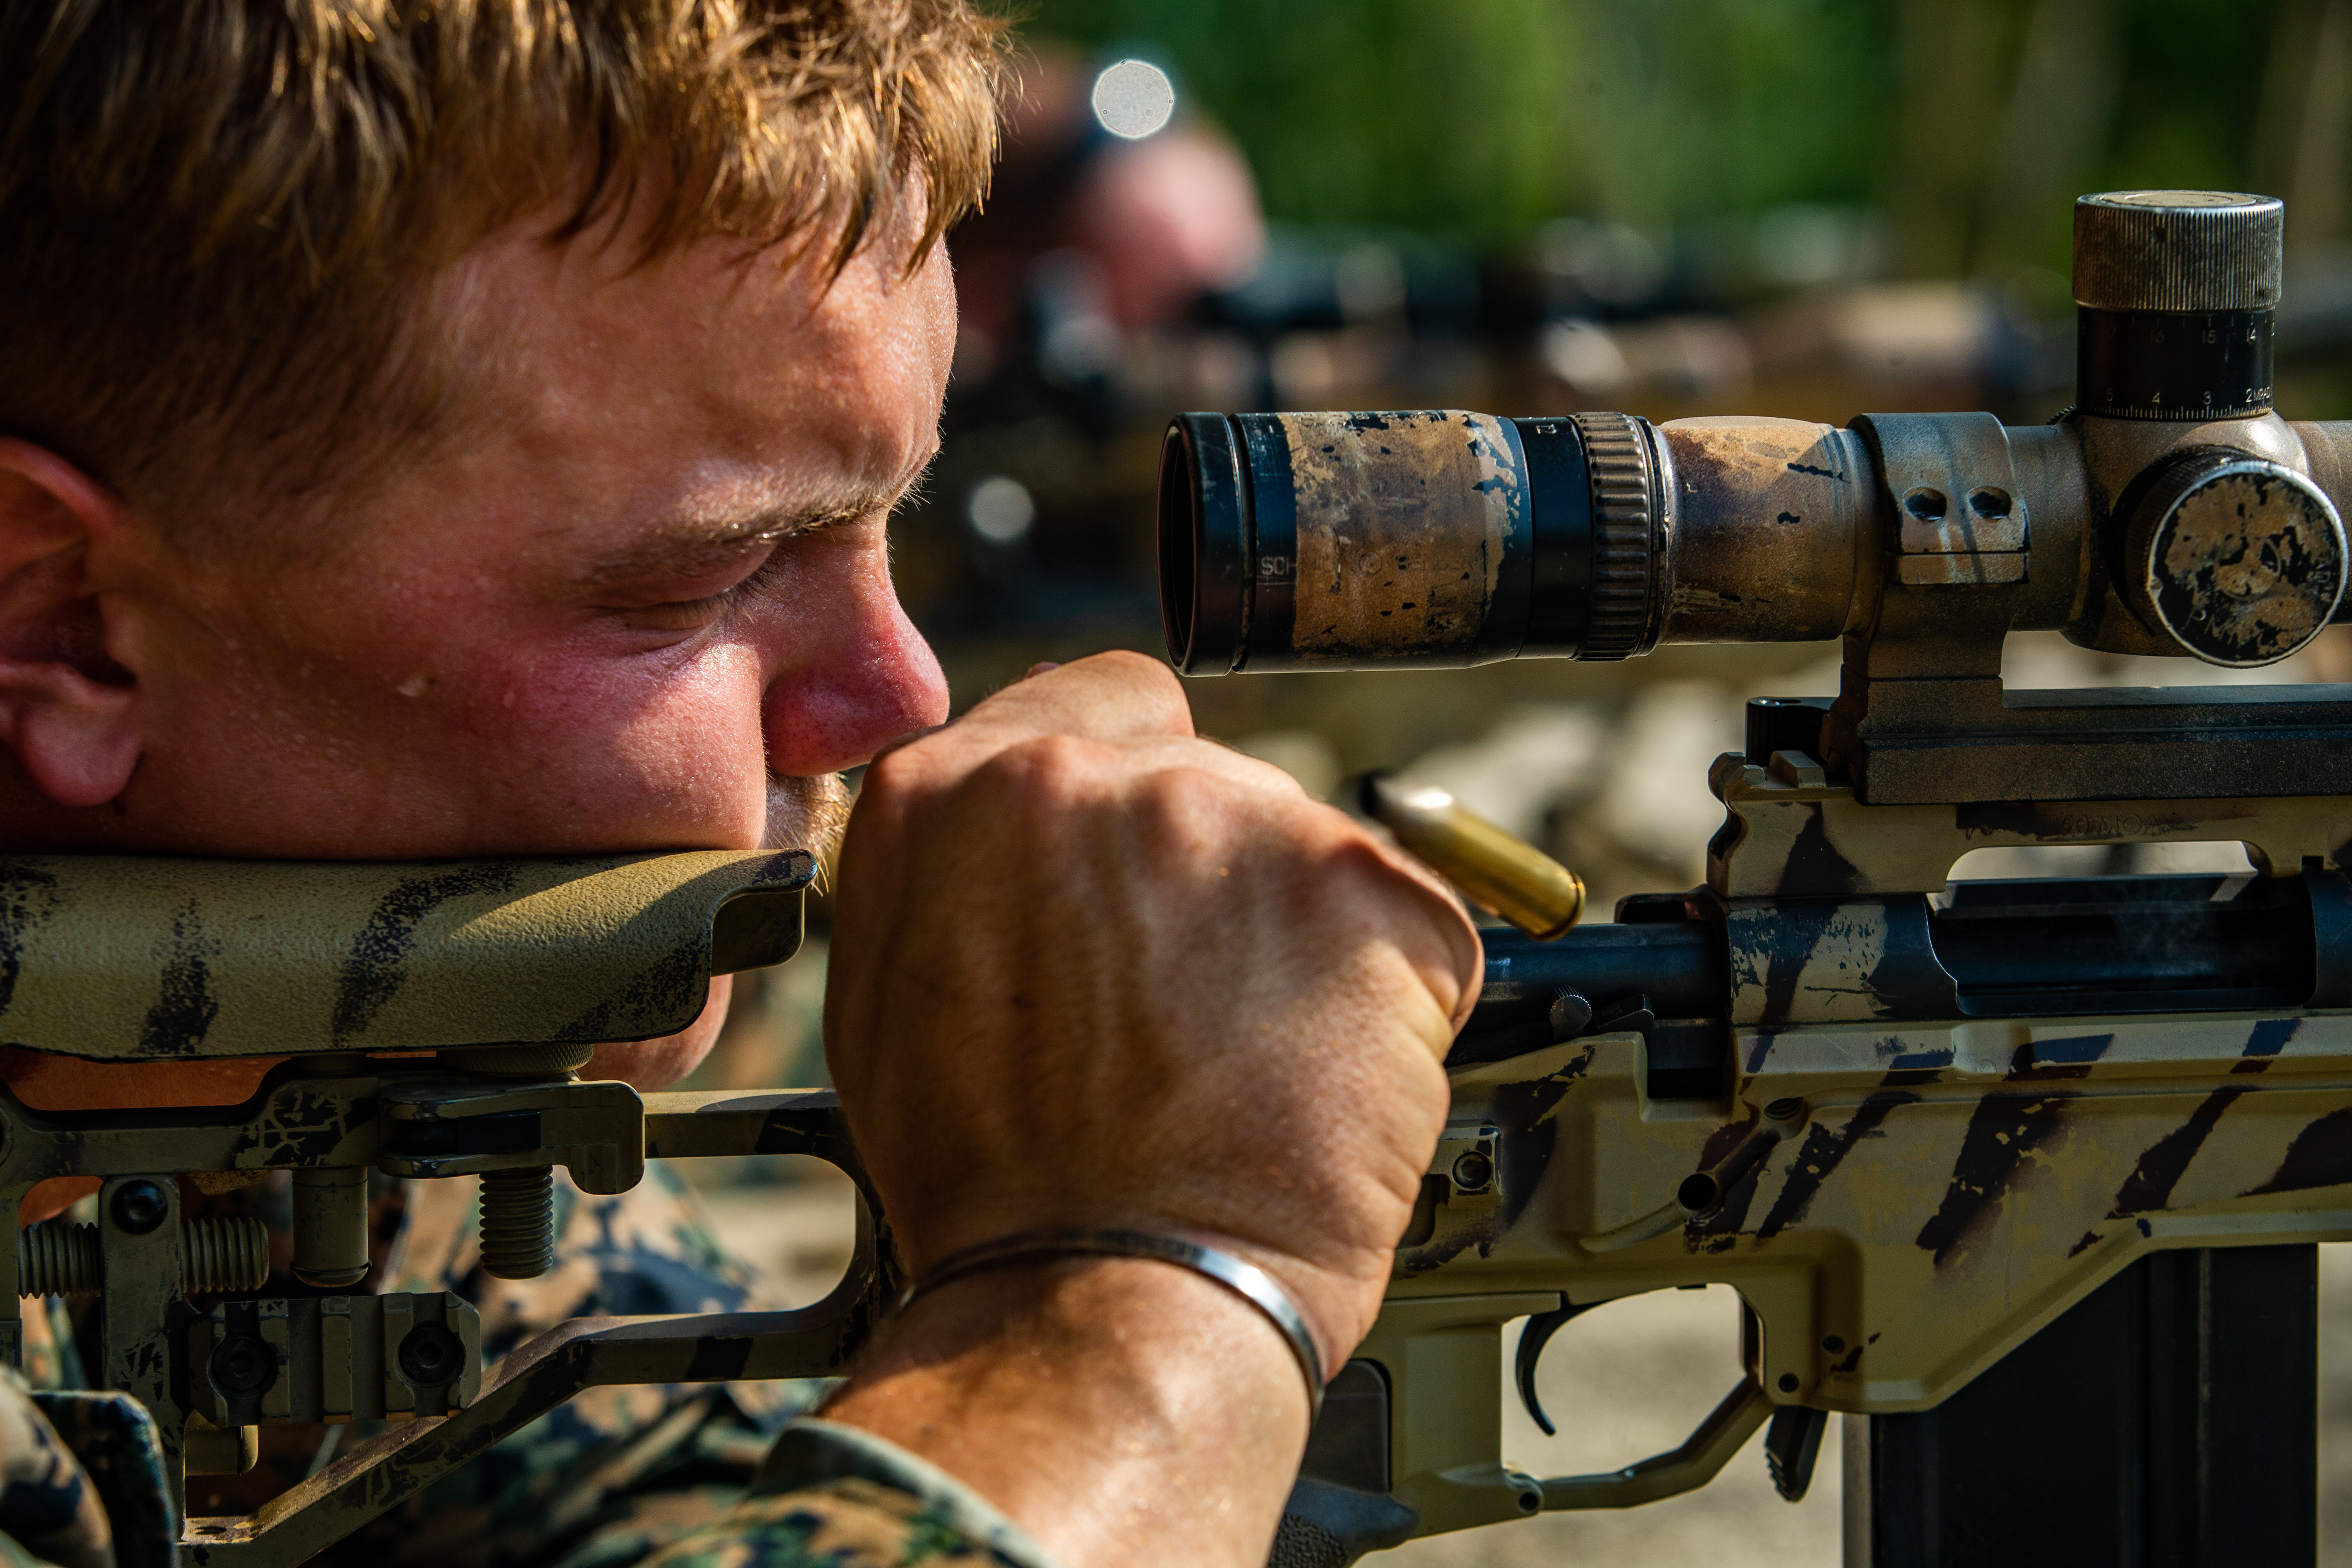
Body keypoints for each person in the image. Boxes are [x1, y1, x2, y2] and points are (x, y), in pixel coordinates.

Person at [0, 6, 1482, 1568]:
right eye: (709, 578)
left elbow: (658, 1505)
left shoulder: (328, 1151)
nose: (903, 700)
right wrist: (1132, 1319)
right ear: (58, 629)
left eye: (882, 523)